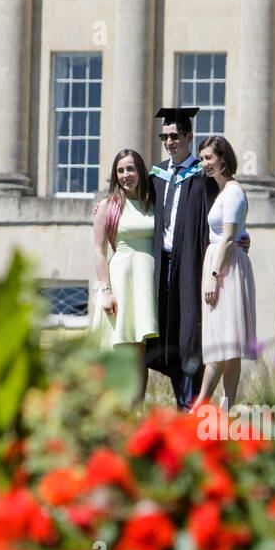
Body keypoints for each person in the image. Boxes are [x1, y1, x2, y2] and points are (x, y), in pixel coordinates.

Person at [146, 106, 248, 410]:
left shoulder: (203, 178)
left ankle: (191, 405)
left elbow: (225, 217)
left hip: (192, 266)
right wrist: (104, 208)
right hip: (161, 265)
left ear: (189, 137)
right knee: (165, 334)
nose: (169, 141)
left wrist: (241, 236)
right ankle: (183, 402)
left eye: (175, 135)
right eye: (164, 136)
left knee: (190, 331)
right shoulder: (157, 176)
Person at [89, 148, 158, 406]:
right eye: (120, 170)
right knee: (119, 350)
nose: (125, 175)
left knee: (141, 353)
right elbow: (99, 251)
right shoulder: (107, 206)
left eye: (130, 169)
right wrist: (105, 290)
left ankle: (137, 411)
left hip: (146, 283)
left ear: (140, 170)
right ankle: (112, 410)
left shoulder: (154, 202)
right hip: (120, 281)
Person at [192, 136, 256, 413]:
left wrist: (214, 276)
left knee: (222, 341)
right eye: (203, 158)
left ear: (223, 159)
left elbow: (229, 237)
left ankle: (200, 406)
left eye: (210, 157)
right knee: (227, 342)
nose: (205, 163)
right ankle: (225, 406)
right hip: (224, 261)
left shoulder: (231, 192)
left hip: (225, 267)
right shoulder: (224, 191)